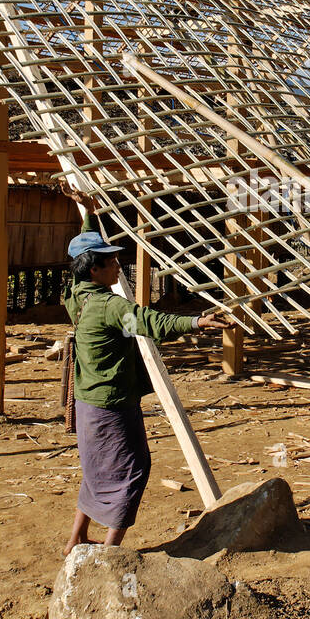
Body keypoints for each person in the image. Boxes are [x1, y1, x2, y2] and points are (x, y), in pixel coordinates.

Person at [61, 191, 228, 555]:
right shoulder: (108, 306)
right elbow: (150, 322)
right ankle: (109, 552)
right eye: (111, 261)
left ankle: (76, 538)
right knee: (132, 471)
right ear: (94, 269)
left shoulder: (75, 295)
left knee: (96, 472)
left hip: (89, 403)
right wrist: (196, 321)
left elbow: (80, 255)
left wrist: (89, 216)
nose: (118, 265)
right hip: (112, 404)